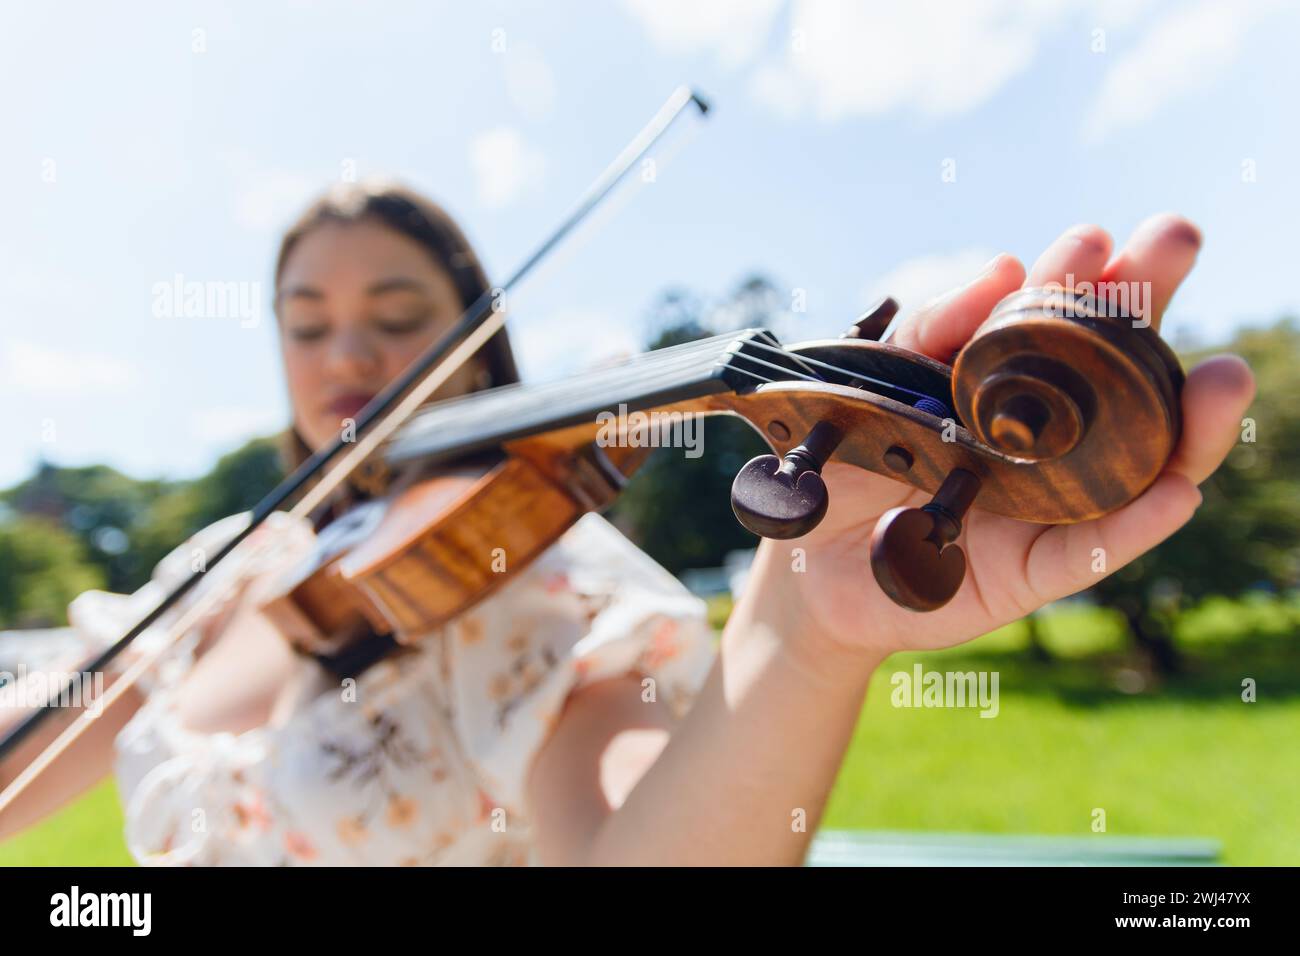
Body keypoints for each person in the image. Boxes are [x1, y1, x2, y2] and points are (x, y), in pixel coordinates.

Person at [0, 184, 1256, 865]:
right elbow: (49, 731)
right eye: (308, 322)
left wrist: (806, 635)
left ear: (476, 341)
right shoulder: (238, 558)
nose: (352, 353)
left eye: (397, 311)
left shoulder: (541, 580)